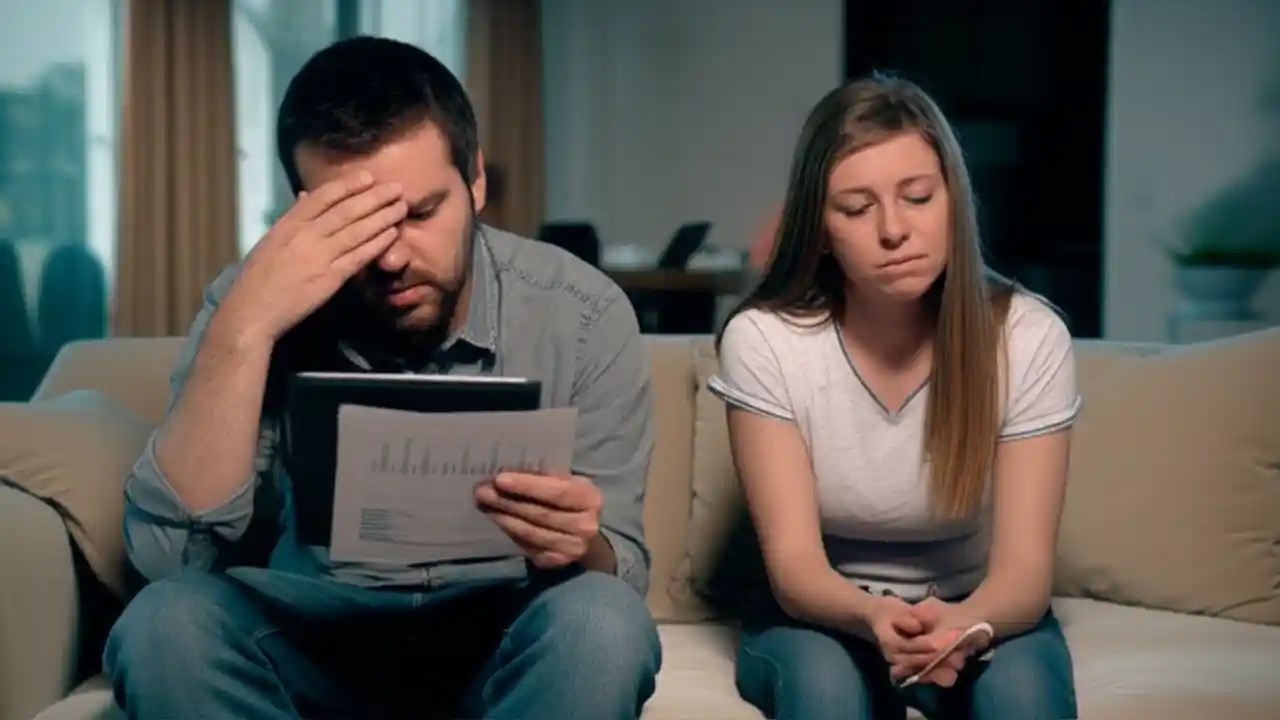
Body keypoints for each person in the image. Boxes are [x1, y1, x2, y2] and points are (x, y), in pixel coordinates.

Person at [104, 37, 660, 720]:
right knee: (164, 622)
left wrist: (583, 546)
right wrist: (247, 329)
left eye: (421, 214)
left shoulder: (582, 313)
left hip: (499, 629)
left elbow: (622, 576)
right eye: (354, 223)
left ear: (477, 181)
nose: (392, 256)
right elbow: (168, 563)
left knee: (601, 619)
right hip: (314, 629)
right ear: (301, 210)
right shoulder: (246, 306)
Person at [709, 73, 1080, 719]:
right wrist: (873, 615)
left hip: (981, 607)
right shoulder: (764, 339)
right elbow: (796, 570)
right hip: (825, 614)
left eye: (917, 196)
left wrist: (964, 625)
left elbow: (1023, 574)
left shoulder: (1028, 335)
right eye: (856, 208)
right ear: (820, 228)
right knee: (826, 697)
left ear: (954, 201)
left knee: (1025, 703)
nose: (894, 230)